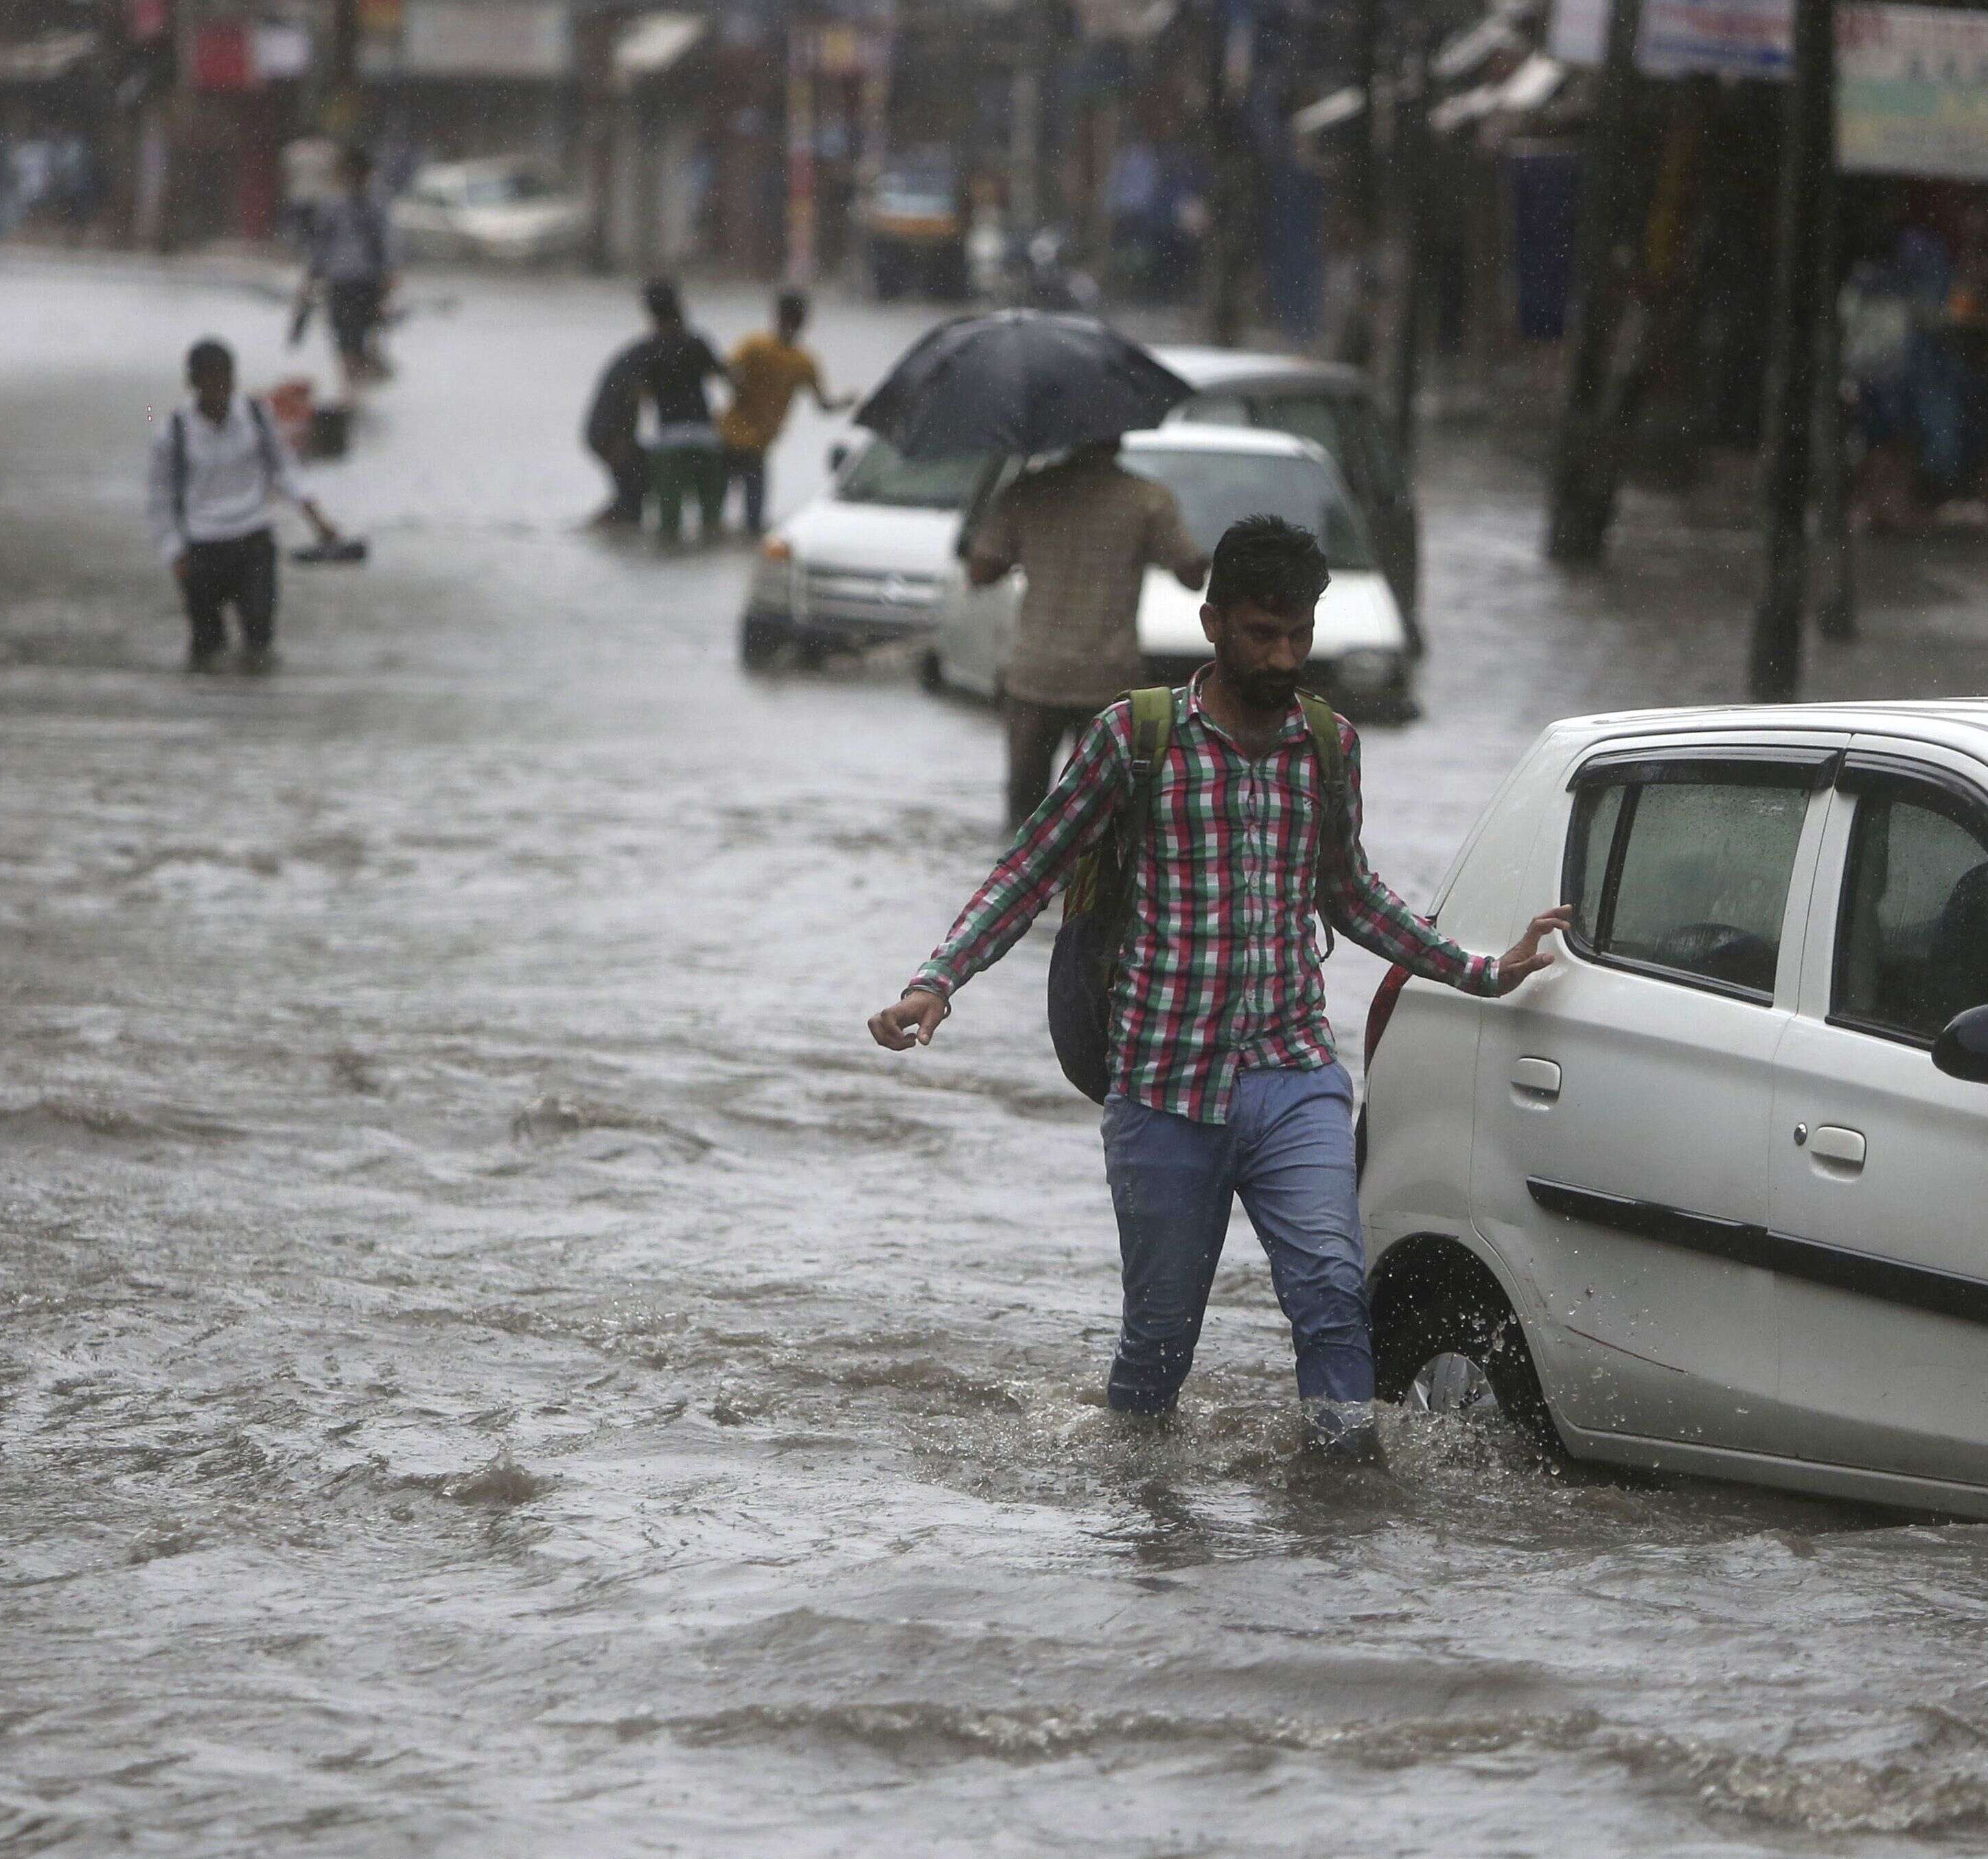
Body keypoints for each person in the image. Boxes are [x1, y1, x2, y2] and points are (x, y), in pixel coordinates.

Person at [865, 516, 1574, 1456]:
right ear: (1211, 623)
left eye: (1299, 636)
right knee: (1160, 1345)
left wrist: (1483, 972)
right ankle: (1146, 1516)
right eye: (1260, 634)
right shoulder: (1136, 737)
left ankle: (1340, 1494)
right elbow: (1029, 868)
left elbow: (1347, 891)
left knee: (1329, 1293)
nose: (1283, 657)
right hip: (1160, 1088)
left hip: (1293, 1077)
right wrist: (937, 981)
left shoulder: (1327, 746)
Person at [966, 438, 1210, 827]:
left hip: (1035, 674)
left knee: (1024, 817)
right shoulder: (1147, 500)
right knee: (1100, 816)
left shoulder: (1029, 491)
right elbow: (1192, 575)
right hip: (1108, 680)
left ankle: (1033, 887)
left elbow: (980, 571)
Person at [149, 337, 349, 675]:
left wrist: (318, 520)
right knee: (206, 647)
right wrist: (174, 553)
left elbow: (285, 471)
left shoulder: (257, 416)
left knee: (260, 638)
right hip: (201, 548)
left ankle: (257, 706)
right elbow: (161, 500)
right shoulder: (174, 432)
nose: (218, 388)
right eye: (209, 379)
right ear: (193, 383)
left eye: (224, 377)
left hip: (253, 541)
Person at [585, 278, 723, 535]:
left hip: (658, 441)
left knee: (654, 519)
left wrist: (622, 439)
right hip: (704, 443)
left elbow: (632, 396)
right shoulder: (696, 344)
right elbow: (730, 378)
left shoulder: (644, 352)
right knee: (710, 524)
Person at [716, 288, 844, 537]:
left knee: (720, 515)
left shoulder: (760, 346)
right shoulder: (799, 359)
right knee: (753, 523)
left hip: (738, 438)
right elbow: (824, 405)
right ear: (804, 321)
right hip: (745, 442)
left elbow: (726, 369)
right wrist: (846, 404)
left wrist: (740, 385)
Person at [298, 146, 397, 391]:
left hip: (368, 280)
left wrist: (390, 274)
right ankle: (351, 386)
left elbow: (388, 240)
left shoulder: (377, 203)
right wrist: (312, 276)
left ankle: (359, 381)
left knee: (363, 333)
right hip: (340, 280)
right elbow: (321, 243)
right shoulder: (333, 205)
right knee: (344, 336)